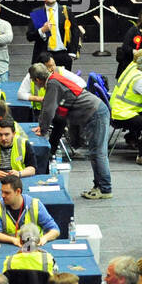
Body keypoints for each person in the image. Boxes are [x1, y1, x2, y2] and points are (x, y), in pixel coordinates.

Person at [31, 61, 111, 200]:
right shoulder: (54, 78)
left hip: (95, 114)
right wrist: (42, 125)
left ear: (37, 80)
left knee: (98, 153)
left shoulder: (53, 84)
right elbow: (48, 105)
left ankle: (105, 189)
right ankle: (98, 186)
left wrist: (43, 129)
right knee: (95, 153)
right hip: (94, 113)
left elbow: (49, 110)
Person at [0, 175, 59, 245]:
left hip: (33, 249)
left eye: (7, 193)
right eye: (2, 192)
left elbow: (55, 230)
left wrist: (44, 238)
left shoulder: (35, 204)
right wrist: (13, 240)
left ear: (18, 191)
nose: (2, 195)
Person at [27, 0, 83, 68]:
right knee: (43, 80)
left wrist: (72, 53)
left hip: (63, 54)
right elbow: (29, 36)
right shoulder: (37, 13)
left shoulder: (66, 11)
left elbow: (75, 31)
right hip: (43, 54)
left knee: (63, 80)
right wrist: (42, 30)